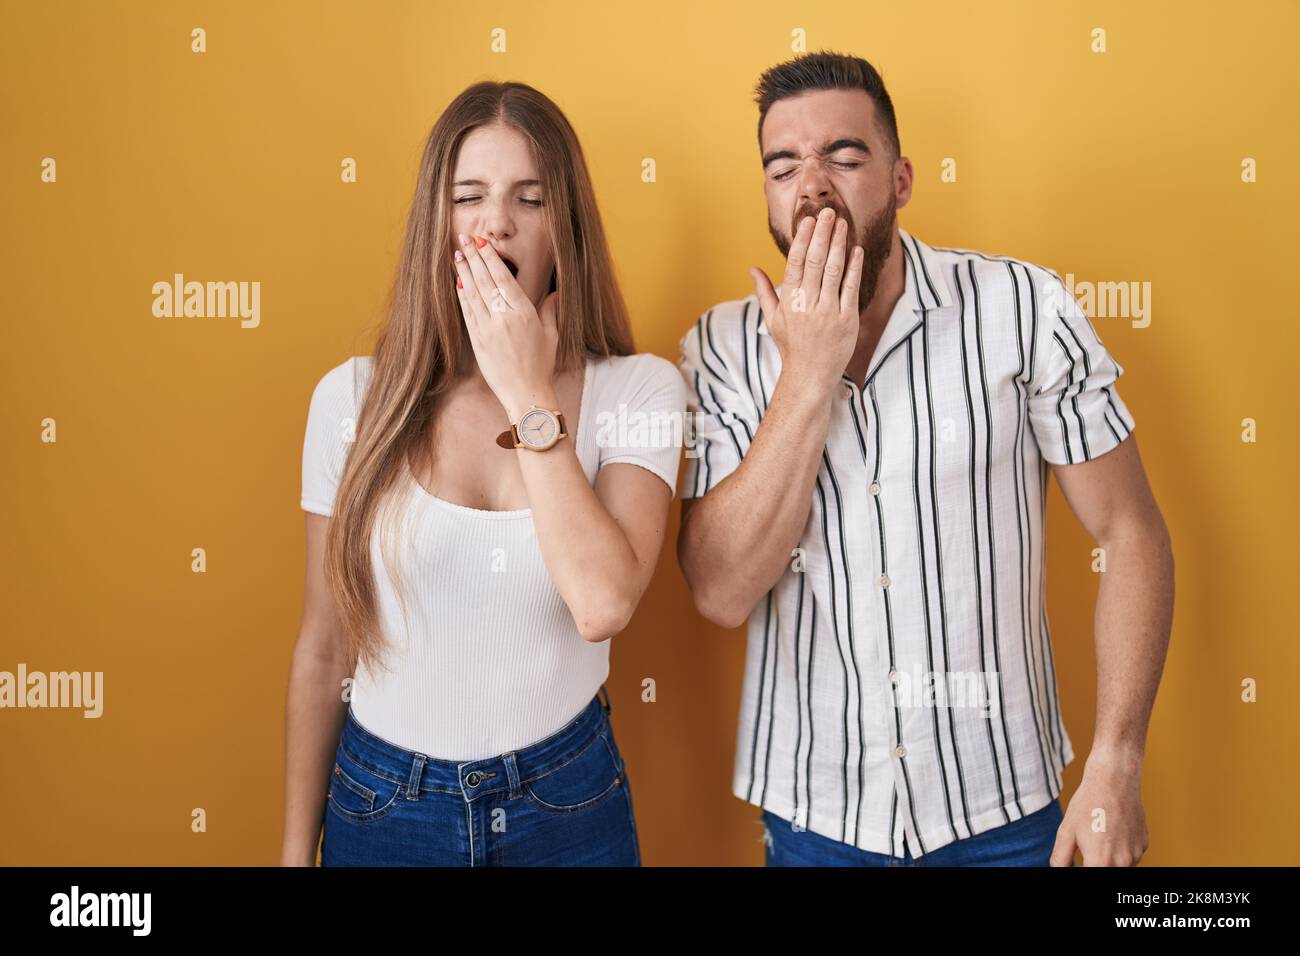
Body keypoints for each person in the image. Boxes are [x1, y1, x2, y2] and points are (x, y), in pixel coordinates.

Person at [675, 51, 1174, 866]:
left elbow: (1130, 531)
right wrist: (806, 375)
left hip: (1006, 818)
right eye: (783, 165)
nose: (813, 185)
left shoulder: (1023, 310)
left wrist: (1117, 760)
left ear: (901, 179)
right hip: (816, 826)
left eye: (844, 154)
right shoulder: (722, 351)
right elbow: (722, 590)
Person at [282, 80, 686, 867]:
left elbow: (603, 602)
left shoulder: (639, 389)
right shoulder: (349, 399)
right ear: (438, 224)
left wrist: (527, 391)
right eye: (470, 196)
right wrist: (296, 854)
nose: (496, 220)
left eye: (529, 198)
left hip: (565, 804)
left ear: (562, 227)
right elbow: (324, 647)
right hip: (383, 805)